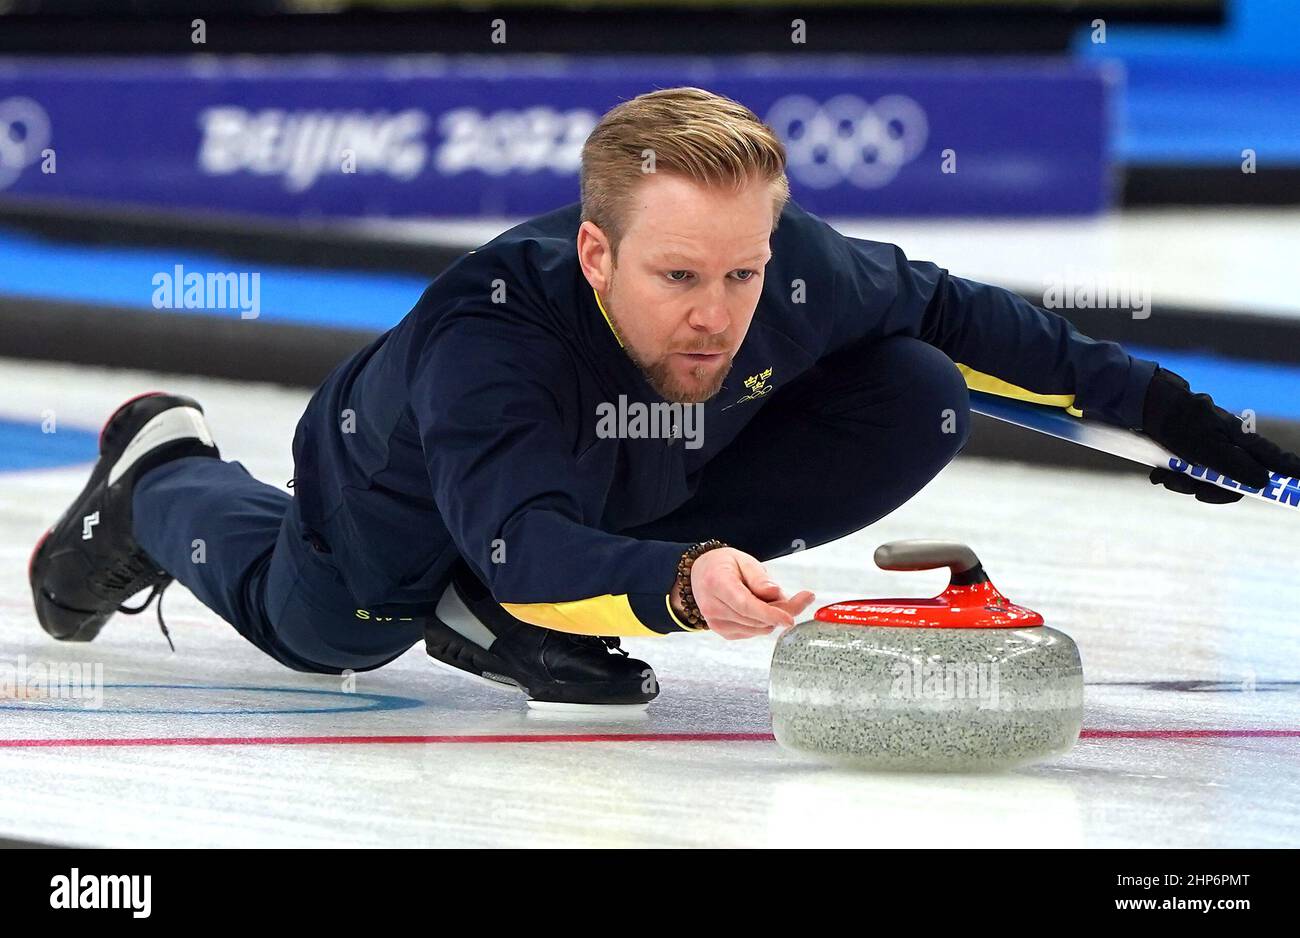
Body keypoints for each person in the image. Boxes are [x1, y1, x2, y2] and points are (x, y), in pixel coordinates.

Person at [29, 87, 1300, 710]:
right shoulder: (492, 346)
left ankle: (512, 603)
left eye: (743, 269)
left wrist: (1191, 432)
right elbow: (525, 546)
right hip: (406, 482)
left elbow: (997, 336)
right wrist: (685, 583)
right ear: (596, 254)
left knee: (915, 390)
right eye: (680, 274)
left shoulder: (790, 274)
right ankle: (162, 476)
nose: (720, 309)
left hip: (622, 467)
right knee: (333, 633)